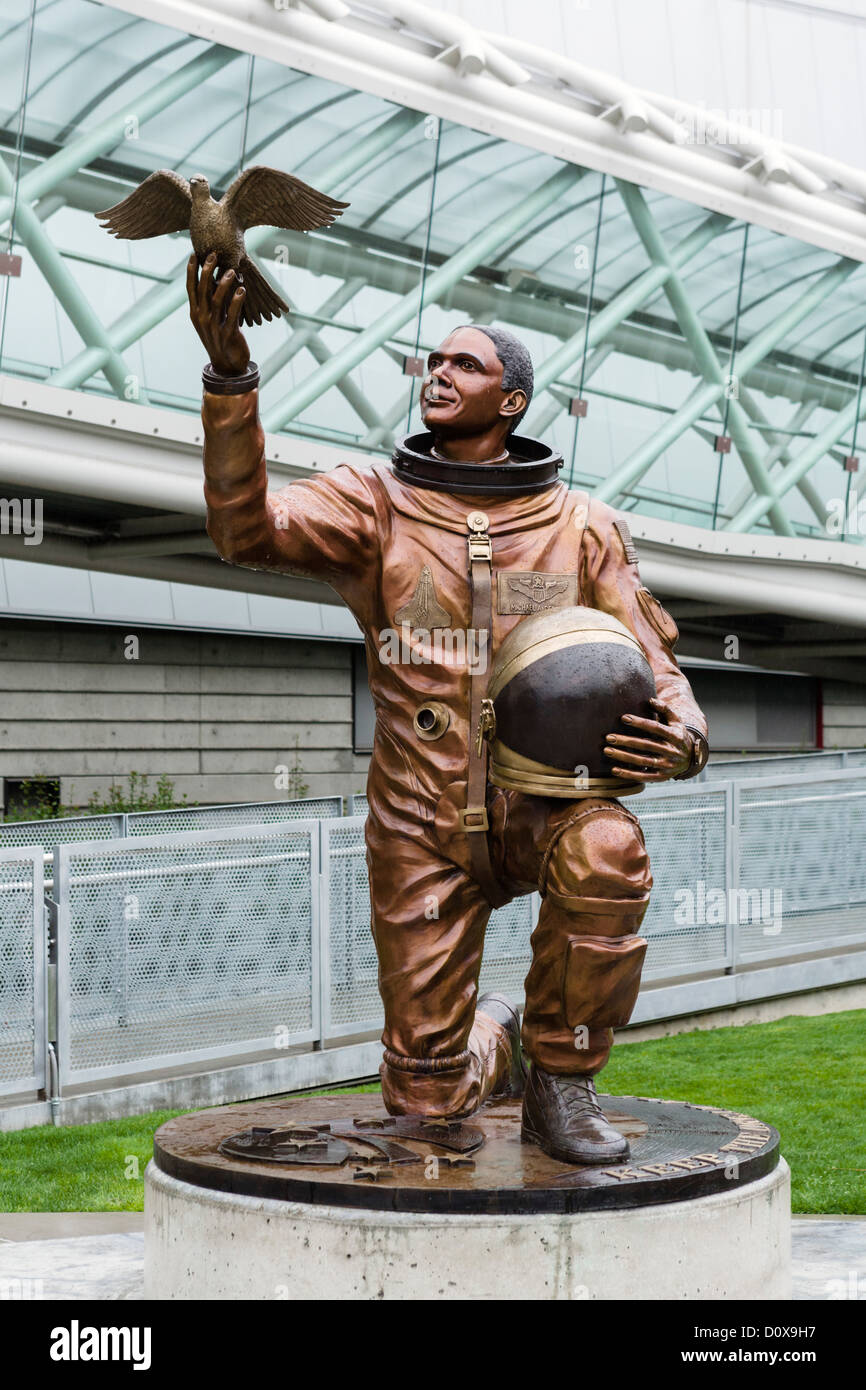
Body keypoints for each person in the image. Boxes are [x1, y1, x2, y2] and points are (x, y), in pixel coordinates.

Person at [188, 252, 708, 1164]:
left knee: (610, 850)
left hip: (547, 801)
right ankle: (495, 1043)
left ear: (512, 401)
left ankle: (562, 1082)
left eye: (464, 364)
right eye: (433, 361)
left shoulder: (580, 525)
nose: (438, 373)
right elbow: (245, 528)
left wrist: (682, 734)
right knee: (426, 1106)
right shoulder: (375, 504)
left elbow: (659, 666)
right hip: (419, 820)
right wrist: (232, 375)